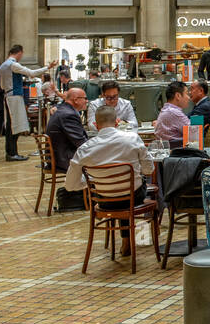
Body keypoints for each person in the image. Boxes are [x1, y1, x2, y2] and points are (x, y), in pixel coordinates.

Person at [64, 104, 155, 256]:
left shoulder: (85, 149)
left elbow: (70, 185)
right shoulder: (132, 139)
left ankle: (127, 241)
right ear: (117, 122)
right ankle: (141, 238)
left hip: (105, 200)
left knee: (119, 193)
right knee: (138, 190)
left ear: (95, 125)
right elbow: (149, 169)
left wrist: (93, 181)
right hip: (134, 196)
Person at [0, 45, 57, 161]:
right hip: (15, 96)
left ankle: (11, 152)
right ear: (19, 53)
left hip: (7, 96)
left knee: (10, 125)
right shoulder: (13, 64)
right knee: (15, 125)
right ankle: (12, 153)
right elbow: (31, 73)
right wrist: (48, 67)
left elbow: (2, 85)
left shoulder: (2, 66)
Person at [45, 87, 89, 172]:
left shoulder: (63, 110)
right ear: (76, 100)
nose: (86, 101)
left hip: (59, 156)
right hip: (64, 159)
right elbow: (80, 142)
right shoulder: (69, 115)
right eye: (85, 98)